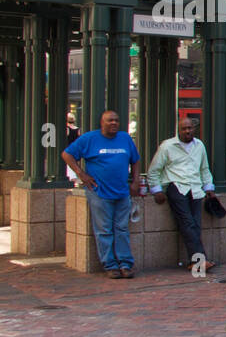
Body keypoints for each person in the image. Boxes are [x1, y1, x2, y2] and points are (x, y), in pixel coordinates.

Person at [61, 109, 140, 279]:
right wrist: (81, 174)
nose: (113, 123)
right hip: (99, 193)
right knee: (104, 230)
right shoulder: (89, 139)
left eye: (116, 120)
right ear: (102, 123)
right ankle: (110, 265)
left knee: (122, 229)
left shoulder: (125, 138)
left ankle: (125, 264)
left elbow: (135, 160)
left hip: (122, 192)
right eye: (110, 120)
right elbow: (67, 154)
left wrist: (135, 181)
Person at [148, 117, 217, 270]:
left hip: (195, 188)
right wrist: (156, 190)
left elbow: (204, 169)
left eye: (189, 128)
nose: (187, 131)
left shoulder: (199, 146)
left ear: (194, 129)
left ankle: (194, 262)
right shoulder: (167, 146)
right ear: (178, 130)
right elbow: (154, 170)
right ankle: (200, 261)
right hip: (176, 187)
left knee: (195, 225)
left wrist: (209, 188)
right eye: (183, 129)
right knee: (187, 222)